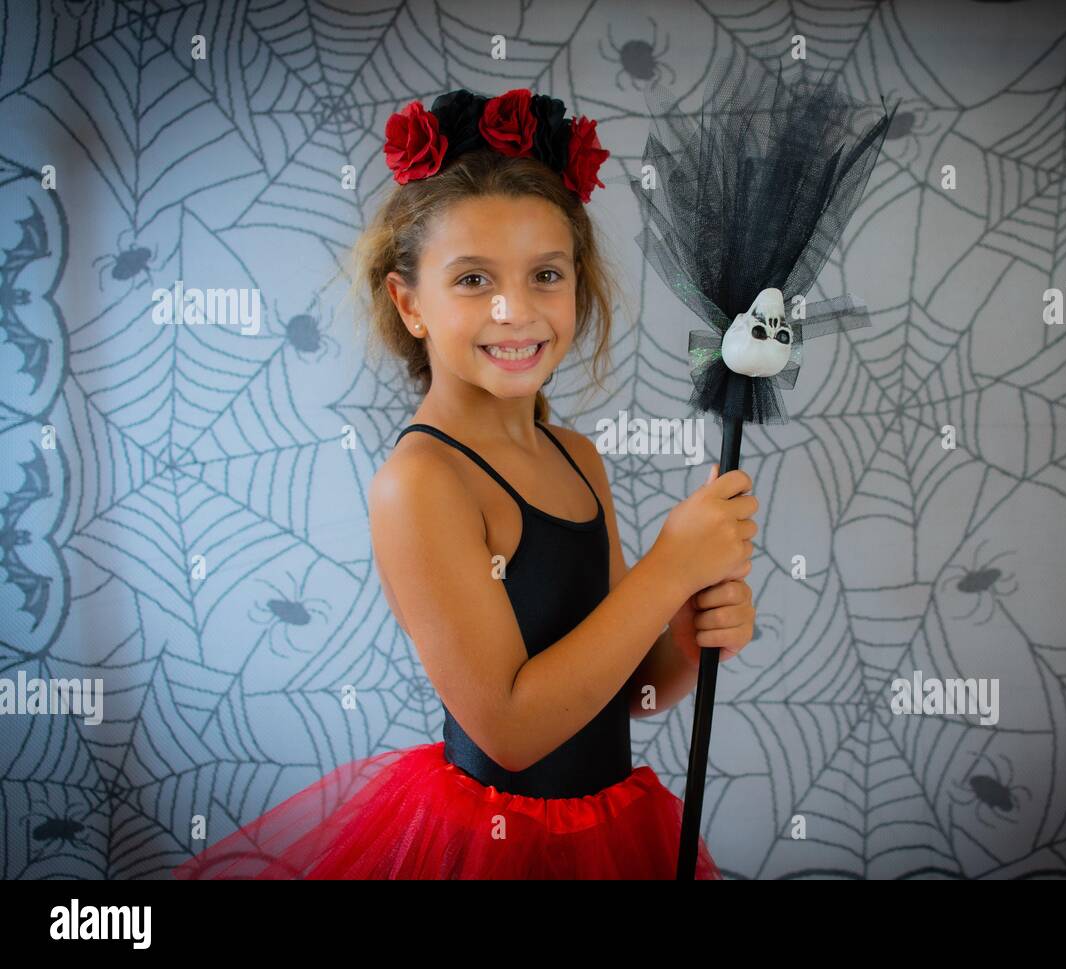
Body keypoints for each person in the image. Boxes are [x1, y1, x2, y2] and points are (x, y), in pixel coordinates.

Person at [171, 88, 757, 880]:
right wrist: (669, 569)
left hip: (611, 833)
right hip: (491, 848)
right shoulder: (422, 481)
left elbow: (626, 688)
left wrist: (686, 633)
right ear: (409, 301)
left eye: (545, 273)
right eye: (474, 280)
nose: (516, 309)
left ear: (577, 284)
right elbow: (514, 726)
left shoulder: (577, 456)